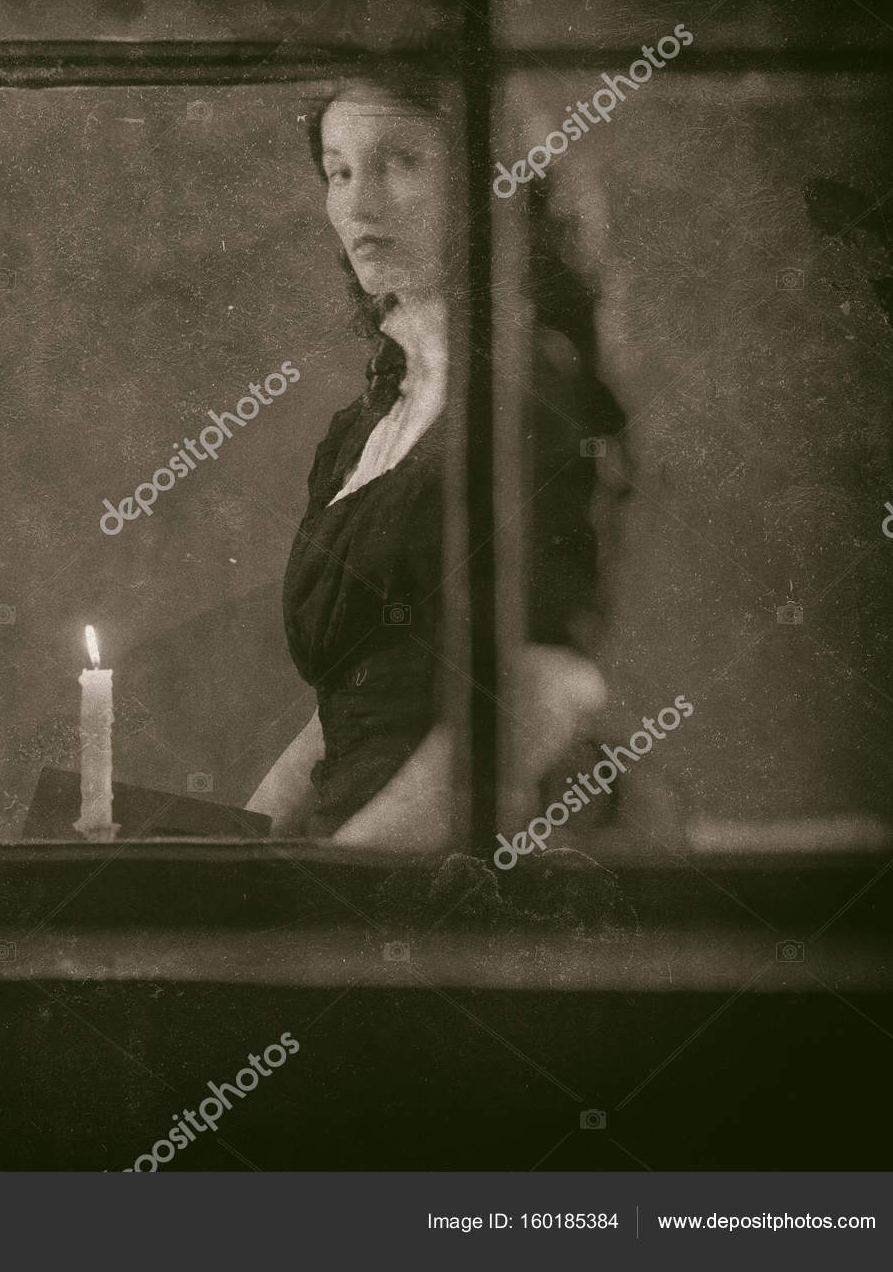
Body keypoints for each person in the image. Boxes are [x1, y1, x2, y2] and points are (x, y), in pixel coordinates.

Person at [246, 64, 623, 847]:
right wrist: (236, 848)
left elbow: (546, 691)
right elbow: (356, 703)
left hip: (488, 853)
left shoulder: (532, 395)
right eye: (338, 171)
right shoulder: (364, 425)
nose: (357, 202)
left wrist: (345, 874)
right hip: (366, 853)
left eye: (400, 162)